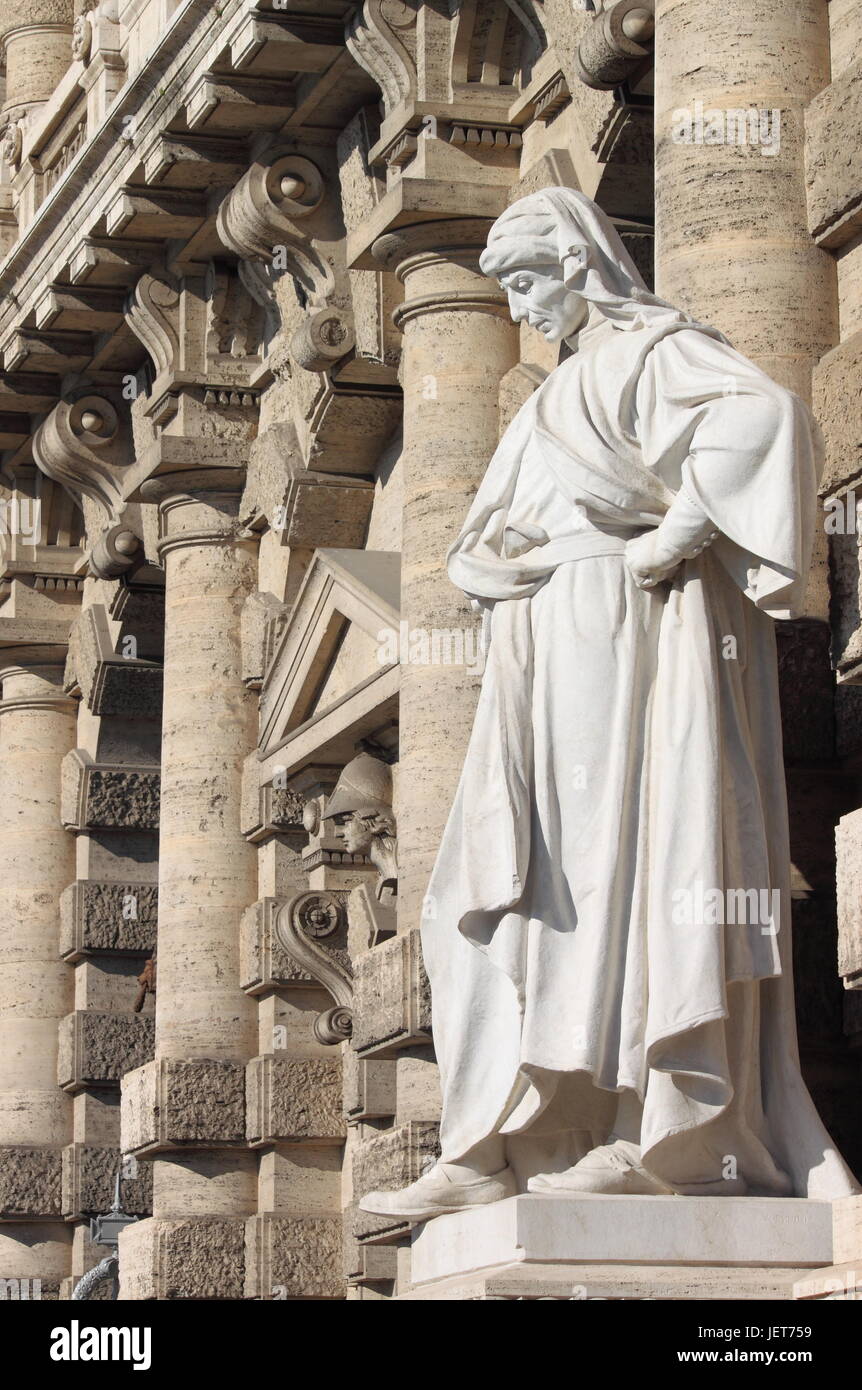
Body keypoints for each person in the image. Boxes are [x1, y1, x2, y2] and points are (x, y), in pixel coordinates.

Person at [360, 188, 859, 1221]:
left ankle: (662, 1129)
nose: (523, 307)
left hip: (627, 643)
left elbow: (766, 418)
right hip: (540, 655)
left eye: (531, 283)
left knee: (623, 871)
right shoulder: (554, 392)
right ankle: (499, 1135)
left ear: (578, 266)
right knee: (496, 892)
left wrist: (673, 539)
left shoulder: (653, 351)